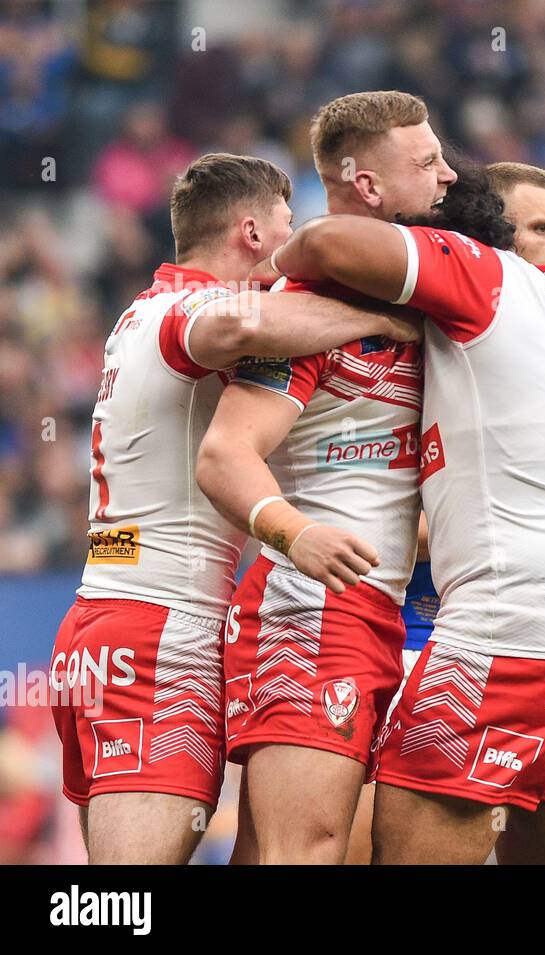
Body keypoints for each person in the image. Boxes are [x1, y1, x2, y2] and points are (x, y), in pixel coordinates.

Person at [250, 169, 545, 866]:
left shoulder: (488, 281)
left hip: (498, 630)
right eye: (543, 228)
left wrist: (264, 272)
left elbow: (324, 244)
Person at [48, 152, 419, 864]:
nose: (295, 244)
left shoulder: (135, 313)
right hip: (157, 629)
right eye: (286, 225)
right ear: (251, 232)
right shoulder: (190, 308)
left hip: (109, 619)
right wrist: (378, 317)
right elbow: (239, 330)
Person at [195, 91, 456, 864]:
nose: (447, 176)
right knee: (303, 851)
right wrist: (293, 531)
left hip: (400, 614)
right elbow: (225, 452)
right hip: (315, 608)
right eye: (427, 162)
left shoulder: (439, 296)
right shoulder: (306, 308)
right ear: (368, 187)